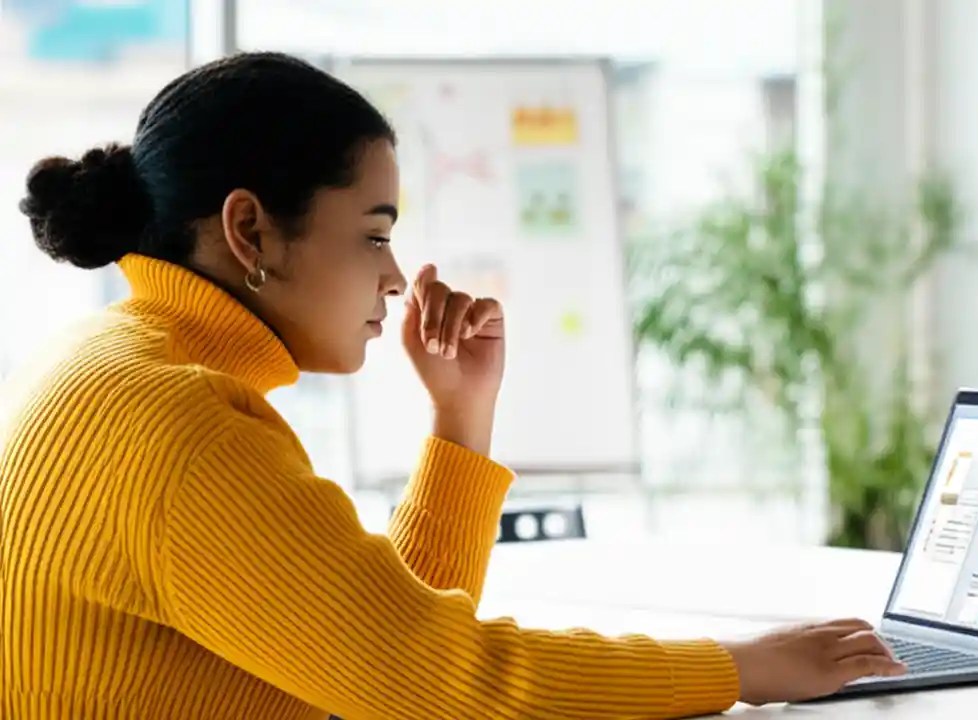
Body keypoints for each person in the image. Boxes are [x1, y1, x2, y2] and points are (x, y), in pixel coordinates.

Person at [0, 52, 904, 719]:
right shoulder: (184, 425)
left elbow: (381, 653)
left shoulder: (111, 366)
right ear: (250, 230)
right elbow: (443, 681)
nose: (394, 279)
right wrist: (742, 669)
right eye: (373, 233)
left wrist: (459, 417)